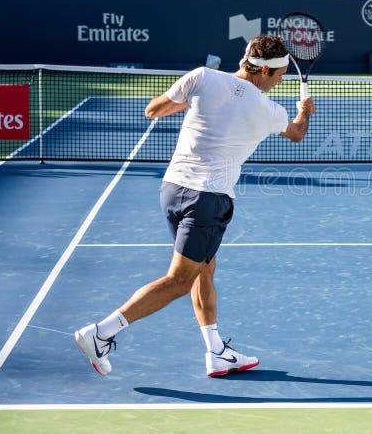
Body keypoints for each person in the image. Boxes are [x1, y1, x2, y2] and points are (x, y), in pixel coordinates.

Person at [74, 35, 317, 377]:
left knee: (205, 268)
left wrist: (196, 103)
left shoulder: (202, 77)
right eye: (278, 76)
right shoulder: (268, 110)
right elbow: (296, 134)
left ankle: (216, 351)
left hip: (173, 190)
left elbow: (153, 109)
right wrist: (304, 112)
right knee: (179, 281)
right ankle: (100, 333)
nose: (279, 83)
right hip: (207, 199)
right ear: (263, 69)